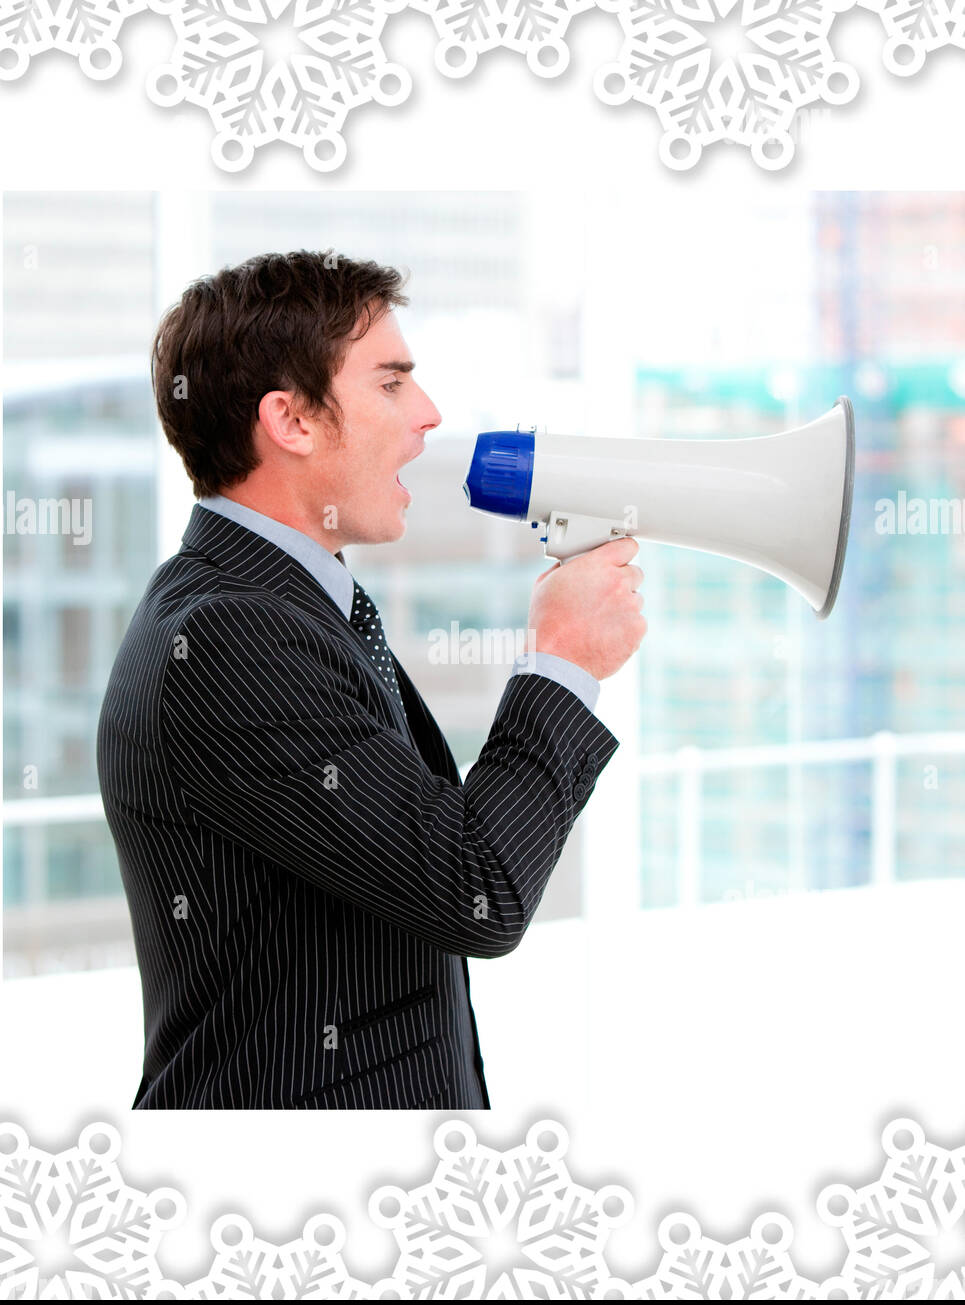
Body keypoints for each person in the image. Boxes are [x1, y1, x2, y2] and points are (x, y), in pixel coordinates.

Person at [96, 249, 646, 1109]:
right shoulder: (234, 639)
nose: (427, 414)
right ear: (292, 421)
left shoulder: (275, 604)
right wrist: (562, 658)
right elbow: (476, 888)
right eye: (391, 383)